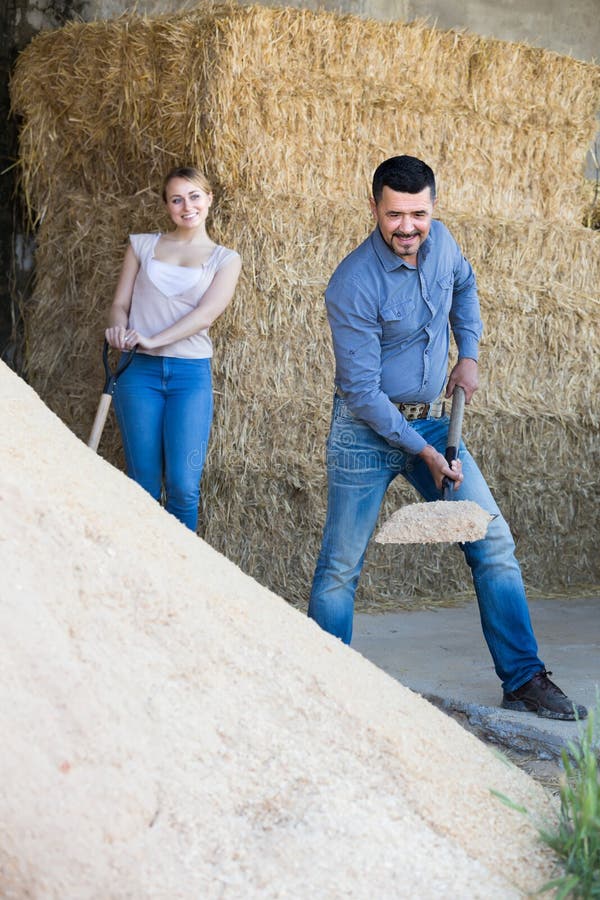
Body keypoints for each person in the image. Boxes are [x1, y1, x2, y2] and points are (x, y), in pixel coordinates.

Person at [308, 155, 587, 721]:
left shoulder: (444, 245)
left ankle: (524, 679)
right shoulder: (353, 283)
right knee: (341, 566)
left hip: (436, 417)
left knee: (493, 544)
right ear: (373, 209)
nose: (407, 227)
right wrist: (427, 452)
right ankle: (324, 689)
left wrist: (470, 354)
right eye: (394, 215)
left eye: (418, 213)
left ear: (433, 208)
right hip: (366, 431)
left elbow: (465, 285)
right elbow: (362, 393)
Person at [105, 166, 241, 532]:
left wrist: (153, 339)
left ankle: (184, 578)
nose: (187, 206)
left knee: (183, 486)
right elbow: (120, 304)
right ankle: (143, 570)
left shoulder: (225, 259)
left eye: (195, 196)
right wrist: (118, 327)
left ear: (209, 199)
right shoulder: (142, 246)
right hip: (137, 374)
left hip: (189, 375)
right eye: (177, 199)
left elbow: (206, 315)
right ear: (166, 205)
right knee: (143, 485)